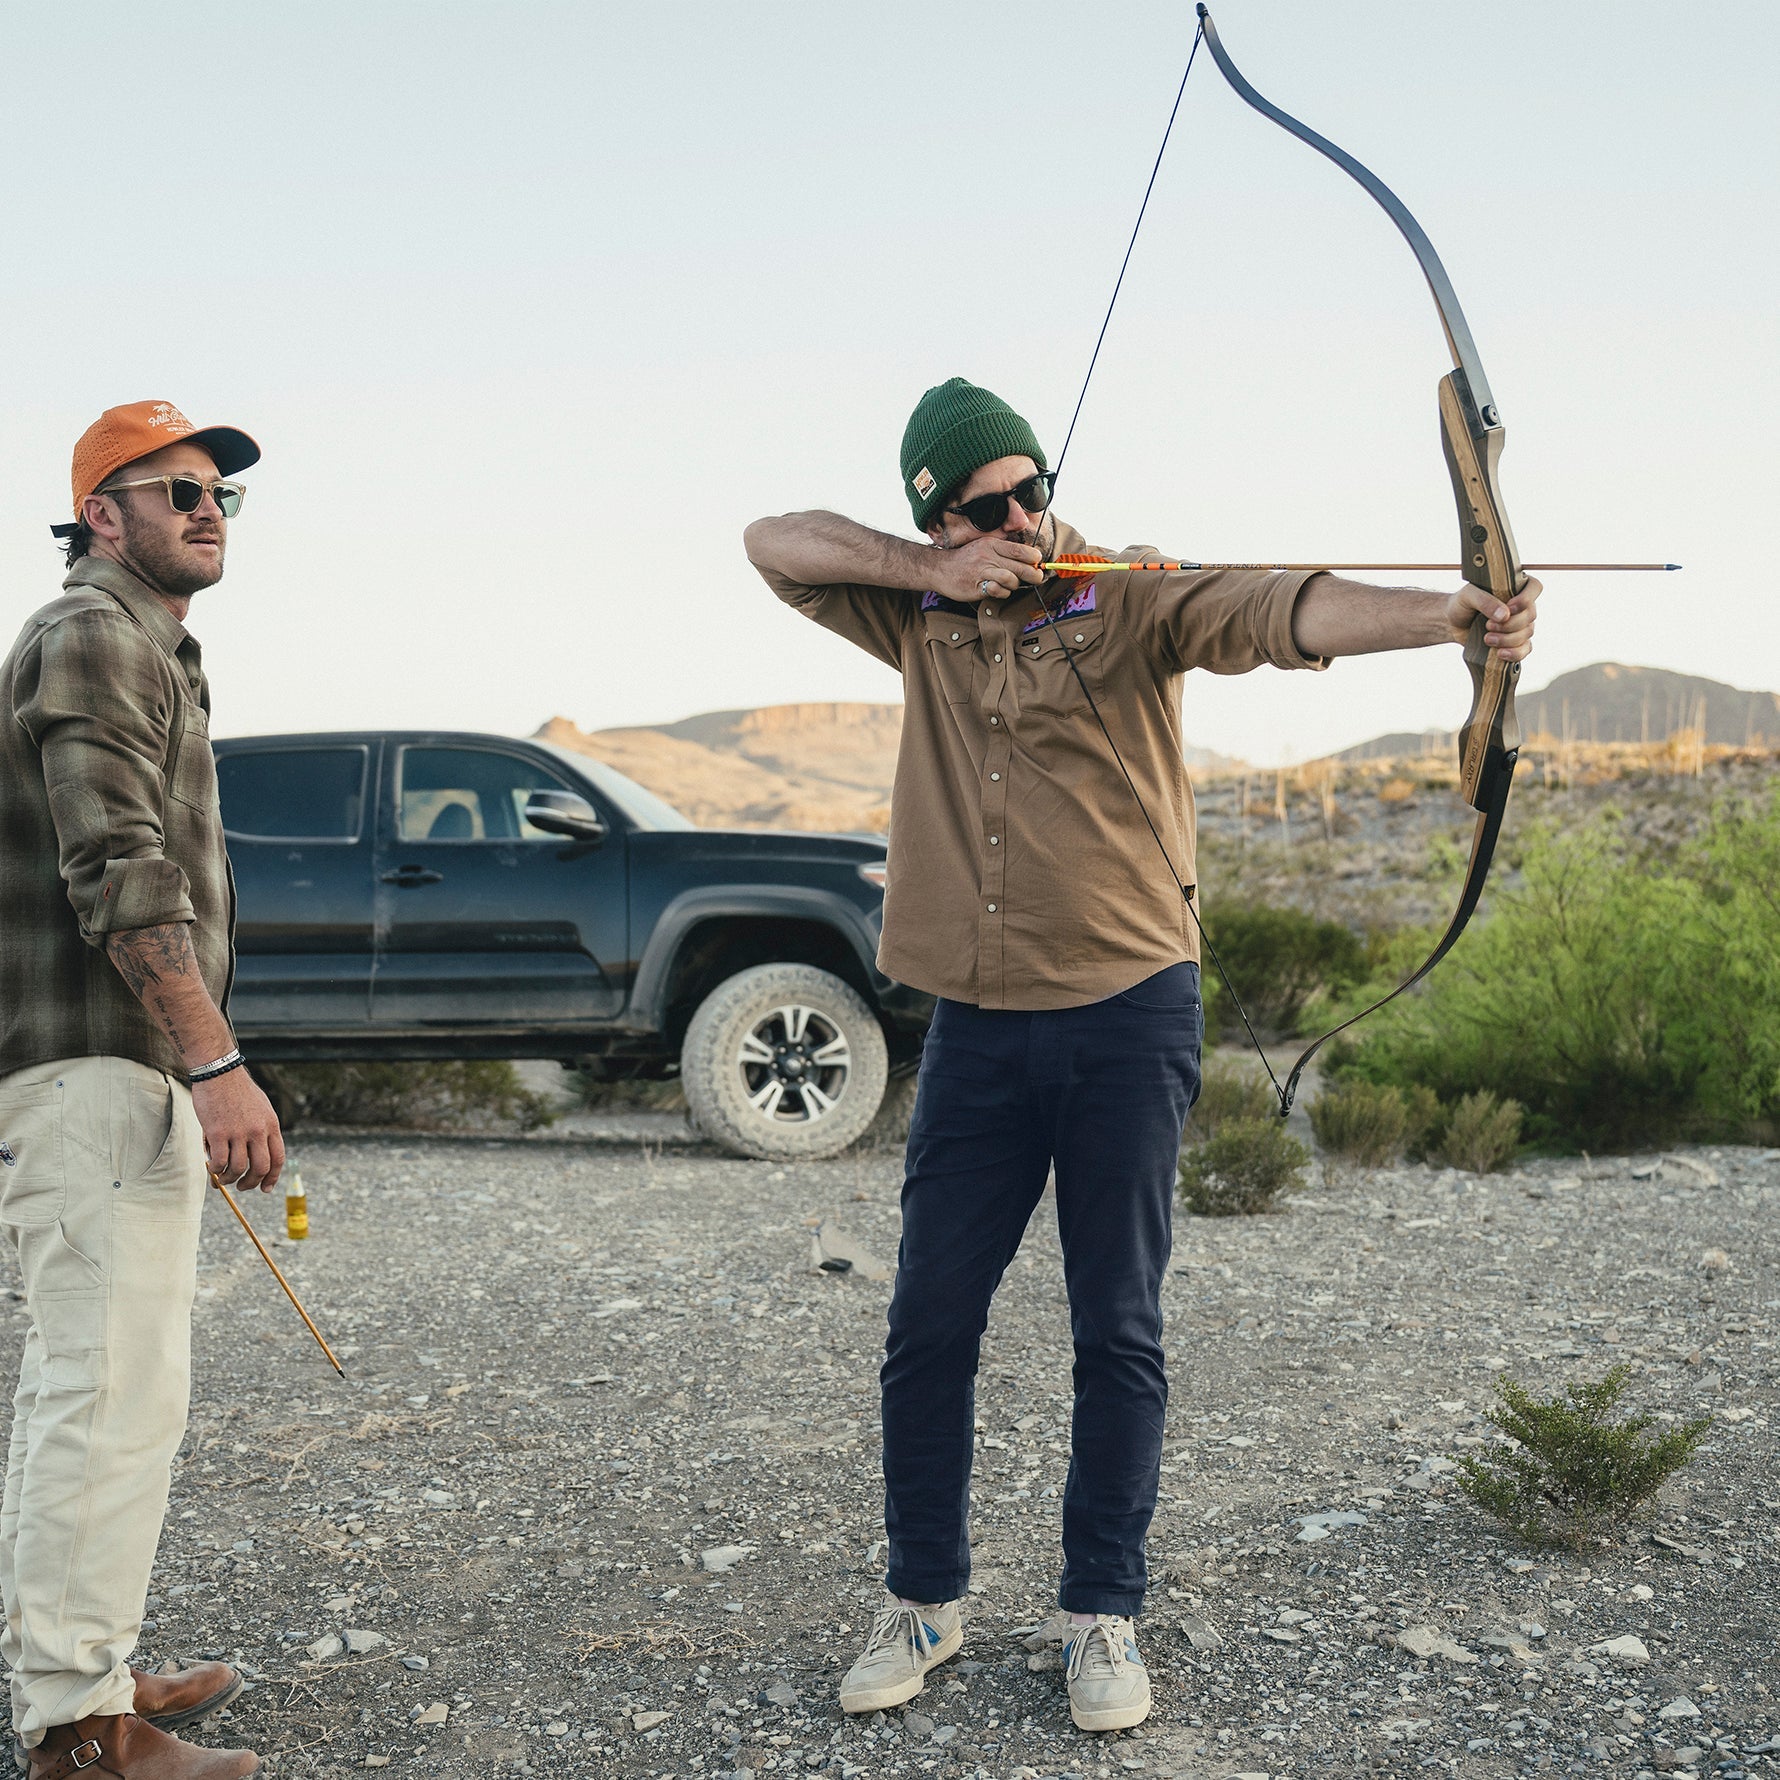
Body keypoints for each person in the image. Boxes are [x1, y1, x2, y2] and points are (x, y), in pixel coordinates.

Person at [744, 377, 1538, 1733]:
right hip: (981, 1026)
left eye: (1033, 489)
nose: (1027, 516)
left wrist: (1448, 617)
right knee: (928, 1324)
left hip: (1126, 1012)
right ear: (940, 513)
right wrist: (926, 566)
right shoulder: (917, 611)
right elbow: (774, 539)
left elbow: (1279, 609)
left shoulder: (1131, 593)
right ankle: (925, 1599)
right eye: (989, 502)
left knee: (1118, 1326)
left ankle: (1101, 1612)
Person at [0, 401, 286, 1777]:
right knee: (108, 1390)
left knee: (94, 1382)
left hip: (112, 1069)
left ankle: (82, 1667)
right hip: (97, 1070)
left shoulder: (145, 641)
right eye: (176, 487)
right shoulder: (100, 632)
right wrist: (214, 1058)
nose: (209, 505)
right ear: (100, 516)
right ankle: (77, 1729)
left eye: (221, 489)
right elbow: (115, 862)